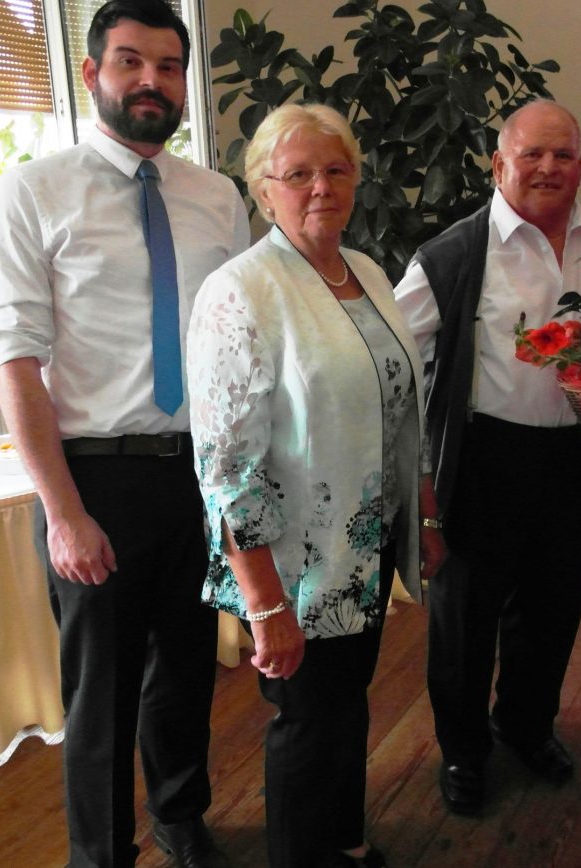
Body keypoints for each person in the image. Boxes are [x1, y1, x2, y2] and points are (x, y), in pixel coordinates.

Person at [0, 0, 249, 868]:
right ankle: (100, 853)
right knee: (98, 694)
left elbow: (238, 340)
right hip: (94, 477)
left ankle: (181, 816)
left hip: (197, 473)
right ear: (92, 73)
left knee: (185, 668)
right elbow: (13, 360)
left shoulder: (217, 197)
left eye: (168, 67)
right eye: (131, 61)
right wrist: (62, 514)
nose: (151, 80)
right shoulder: (32, 191)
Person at [186, 102, 446, 868]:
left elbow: (401, 405)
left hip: (360, 554)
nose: (320, 188)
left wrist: (423, 514)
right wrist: (265, 605)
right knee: (305, 724)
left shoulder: (363, 270)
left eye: (336, 170)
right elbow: (226, 471)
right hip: (294, 571)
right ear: (264, 190)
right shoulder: (240, 292)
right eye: (297, 174)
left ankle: (346, 840)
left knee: (344, 706)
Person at [394, 99, 581, 815]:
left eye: (563, 155)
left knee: (553, 612)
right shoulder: (452, 255)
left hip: (579, 458)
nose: (548, 167)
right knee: (464, 624)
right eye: (532, 154)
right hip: (485, 463)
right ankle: (465, 752)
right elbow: (389, 355)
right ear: (499, 164)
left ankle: (527, 727)